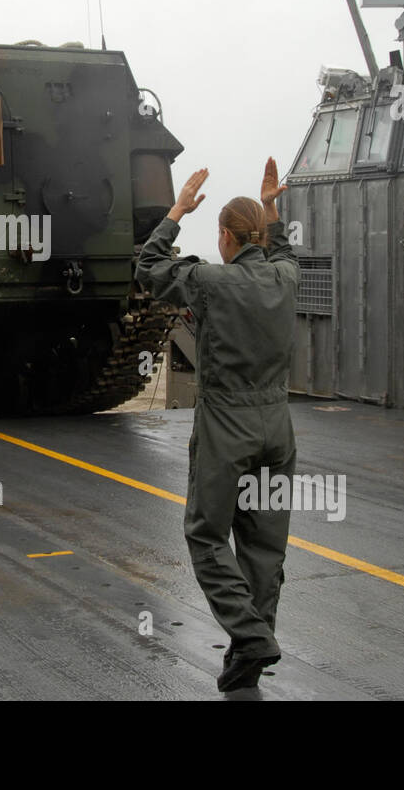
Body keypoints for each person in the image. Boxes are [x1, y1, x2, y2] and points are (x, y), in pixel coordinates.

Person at [134, 158, 298, 692]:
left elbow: (149, 267)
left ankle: (250, 636)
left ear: (225, 236)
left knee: (206, 535)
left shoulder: (209, 281)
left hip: (227, 426)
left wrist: (178, 209)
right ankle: (248, 656)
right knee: (264, 546)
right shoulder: (284, 277)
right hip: (277, 429)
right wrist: (270, 205)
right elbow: (285, 251)